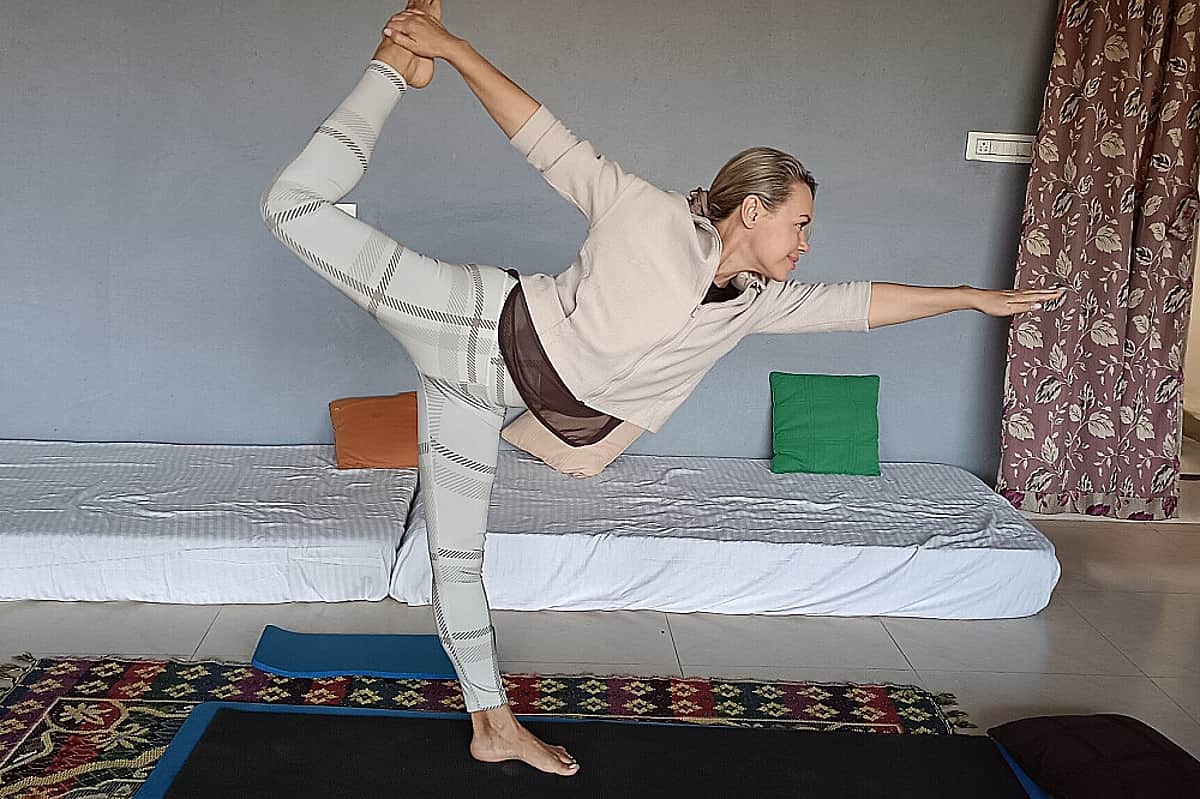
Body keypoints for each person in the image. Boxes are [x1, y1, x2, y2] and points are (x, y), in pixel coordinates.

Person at [260, 0, 1066, 777]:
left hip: (479, 396)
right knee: (291, 208)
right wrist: (451, 49)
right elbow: (542, 136)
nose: (806, 243)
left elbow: (859, 304)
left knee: (458, 560)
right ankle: (392, 68)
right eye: (800, 224)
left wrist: (967, 297)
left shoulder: (752, 304)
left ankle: (493, 728)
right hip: (467, 319)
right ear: (754, 210)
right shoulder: (643, 213)